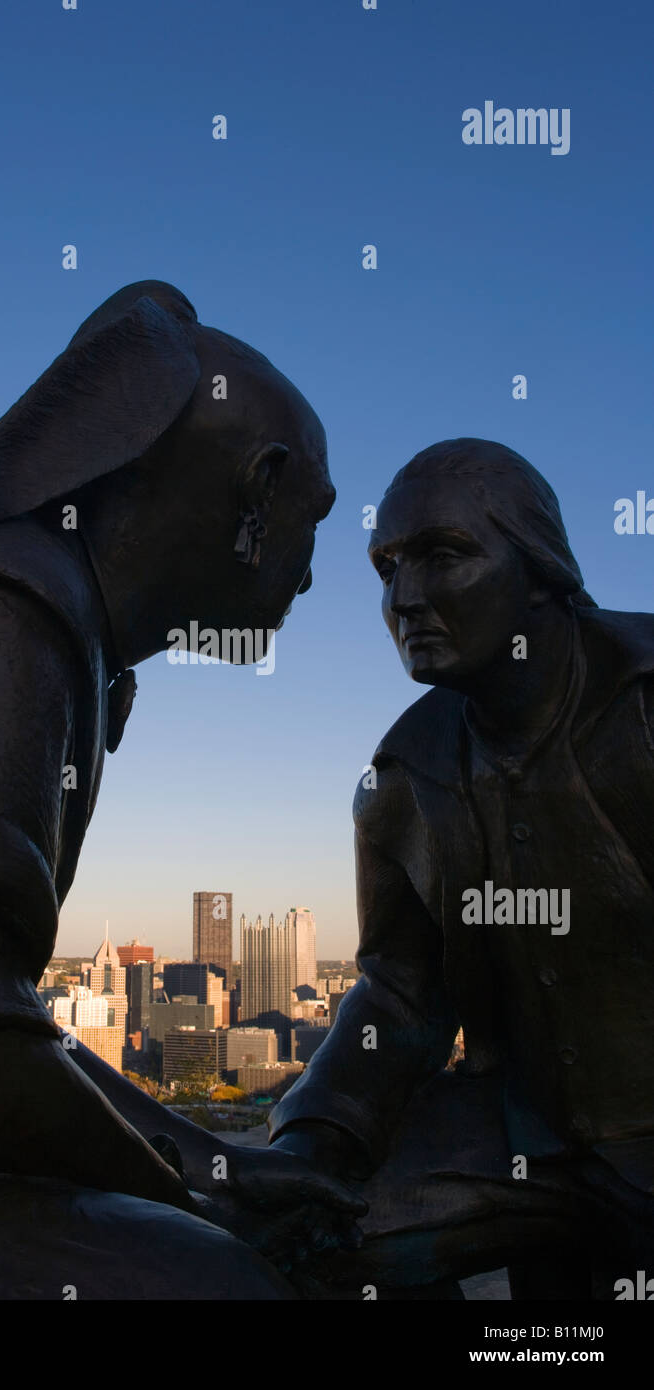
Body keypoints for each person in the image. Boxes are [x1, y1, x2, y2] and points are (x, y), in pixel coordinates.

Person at [0, 281, 345, 1299]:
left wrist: (209, 1156)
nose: (310, 580)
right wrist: (192, 1193)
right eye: (314, 525)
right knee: (209, 1285)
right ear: (257, 495)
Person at [264, 438, 654, 1299]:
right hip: (519, 1141)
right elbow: (400, 993)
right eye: (387, 568)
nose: (405, 598)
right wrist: (314, 1138)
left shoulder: (644, 700)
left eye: (444, 557)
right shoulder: (403, 776)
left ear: (541, 567)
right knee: (296, 1234)